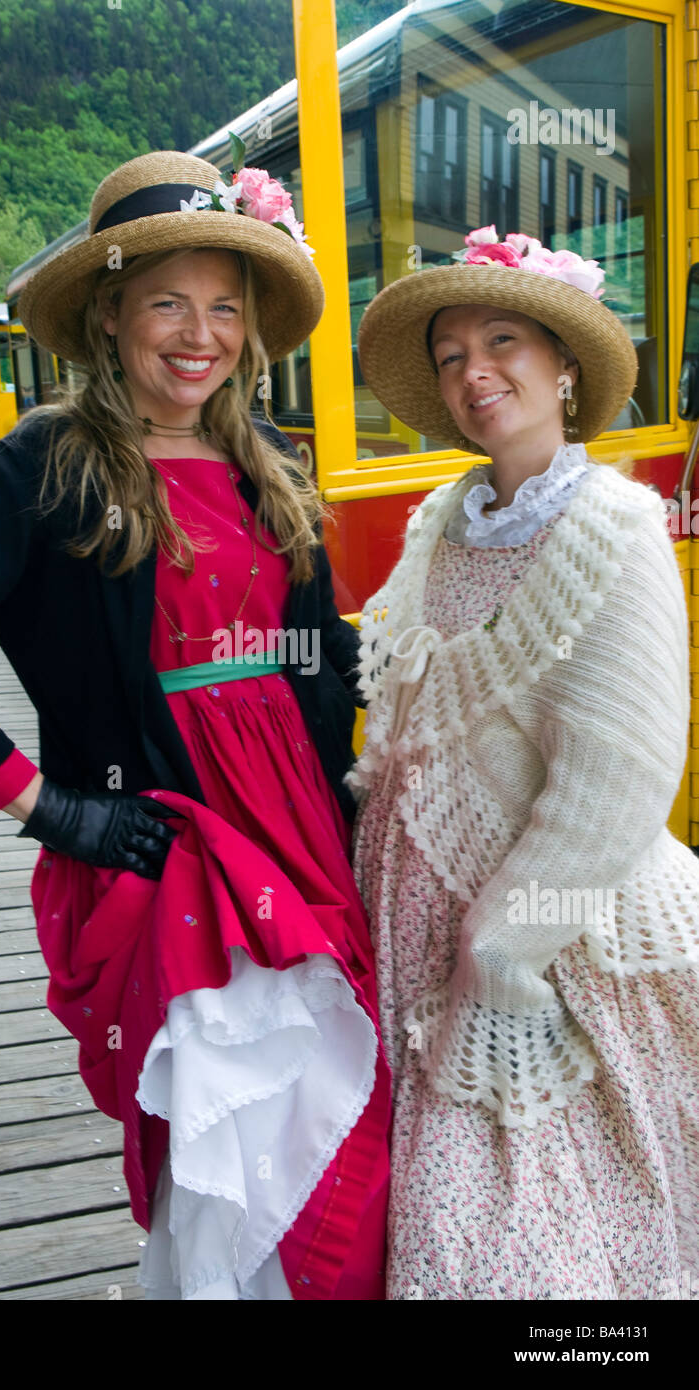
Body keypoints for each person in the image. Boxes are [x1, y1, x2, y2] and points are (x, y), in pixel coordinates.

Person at [0, 150, 390, 1301]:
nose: (200, 335)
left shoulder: (268, 464)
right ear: (109, 314)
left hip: (298, 833)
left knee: (343, 1129)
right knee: (243, 1130)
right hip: (169, 840)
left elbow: (316, 654)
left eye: (224, 309)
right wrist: (46, 808)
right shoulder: (47, 462)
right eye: (169, 305)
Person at [350, 227, 699, 1300]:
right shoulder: (438, 522)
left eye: (500, 341)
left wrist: (501, 945)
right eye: (450, 357)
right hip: (410, 926)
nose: (472, 373)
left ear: (561, 367)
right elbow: (402, 713)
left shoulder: (610, 527)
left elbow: (618, 777)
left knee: (527, 1238)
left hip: (548, 940)